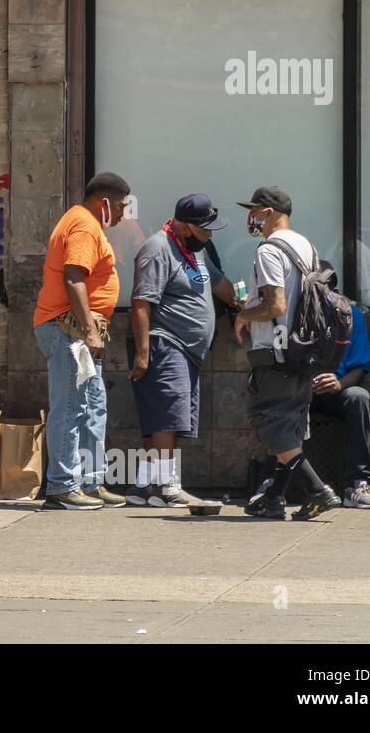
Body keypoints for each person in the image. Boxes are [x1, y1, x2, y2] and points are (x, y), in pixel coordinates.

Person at [235, 186, 341, 520]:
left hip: (275, 352)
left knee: (269, 422)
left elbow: (276, 304)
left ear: (268, 212)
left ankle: (318, 491)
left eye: (255, 210)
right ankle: (274, 498)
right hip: (302, 350)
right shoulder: (305, 245)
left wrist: (243, 315)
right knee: (289, 427)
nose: (251, 216)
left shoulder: (268, 250)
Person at [127, 194, 239, 507]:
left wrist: (244, 304)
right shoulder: (157, 248)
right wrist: (143, 352)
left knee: (166, 415)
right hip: (165, 341)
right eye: (205, 228)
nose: (210, 234)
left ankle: (142, 486)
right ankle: (168, 487)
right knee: (168, 417)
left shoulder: (194, 251)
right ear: (185, 226)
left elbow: (219, 285)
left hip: (188, 350)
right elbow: (140, 303)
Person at [33, 172, 132, 510]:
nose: (121, 214)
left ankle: (90, 482)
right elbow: (74, 276)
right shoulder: (85, 225)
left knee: (93, 407)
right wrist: (90, 330)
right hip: (69, 330)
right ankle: (61, 487)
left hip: (77, 330)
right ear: (103, 202)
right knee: (71, 407)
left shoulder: (87, 223)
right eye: (119, 206)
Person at [311, 260, 370, 509]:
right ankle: (274, 481)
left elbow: (360, 367)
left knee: (359, 397)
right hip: (298, 390)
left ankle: (358, 484)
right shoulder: (292, 313)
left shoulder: (351, 315)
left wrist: (338, 384)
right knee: (277, 397)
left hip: (336, 391)